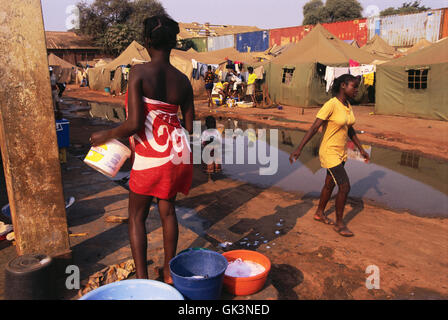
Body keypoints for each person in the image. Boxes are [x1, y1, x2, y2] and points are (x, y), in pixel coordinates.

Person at [89, 15, 194, 283]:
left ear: (146, 41)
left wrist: (105, 135)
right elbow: (190, 126)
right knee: (168, 211)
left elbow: (134, 123)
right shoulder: (183, 81)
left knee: (136, 216)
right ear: (173, 43)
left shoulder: (138, 72)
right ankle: (170, 272)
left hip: (150, 155)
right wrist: (167, 119)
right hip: (176, 153)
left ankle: (143, 278)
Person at [289, 74, 370, 237]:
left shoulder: (347, 105)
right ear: (343, 86)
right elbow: (314, 128)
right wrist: (299, 148)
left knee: (329, 184)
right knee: (344, 186)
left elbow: (350, 129)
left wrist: (360, 149)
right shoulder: (331, 105)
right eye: (353, 87)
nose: (356, 90)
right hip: (329, 151)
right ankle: (340, 224)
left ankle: (319, 213)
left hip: (341, 152)